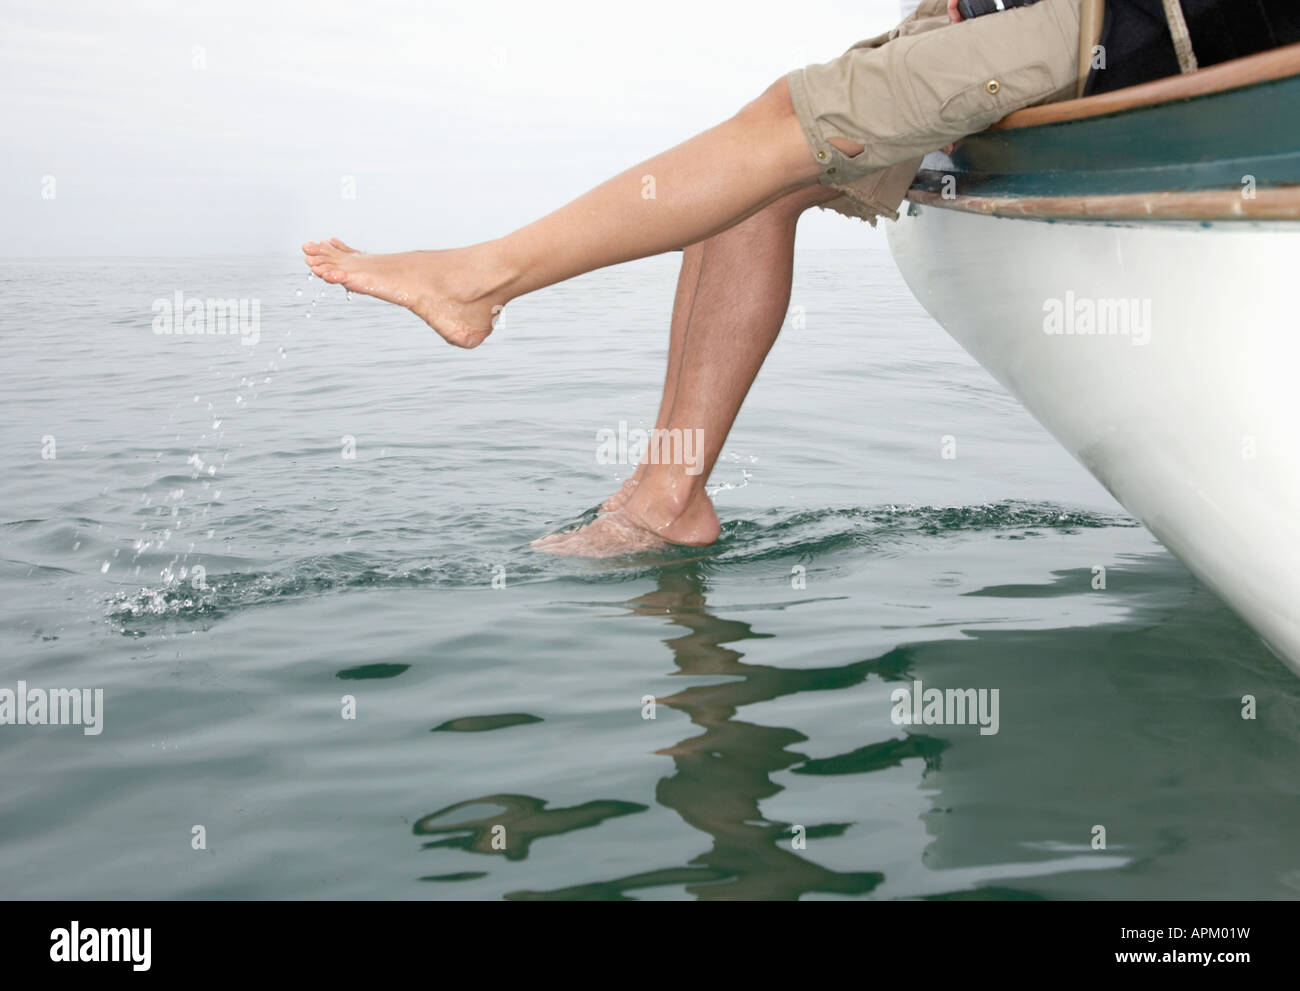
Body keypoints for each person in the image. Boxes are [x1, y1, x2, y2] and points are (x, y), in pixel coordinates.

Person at [303, 0, 1087, 556]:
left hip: (1107, 22)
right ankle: (664, 489)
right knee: (746, 186)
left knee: (783, 124)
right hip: (1002, 11)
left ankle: (481, 281)